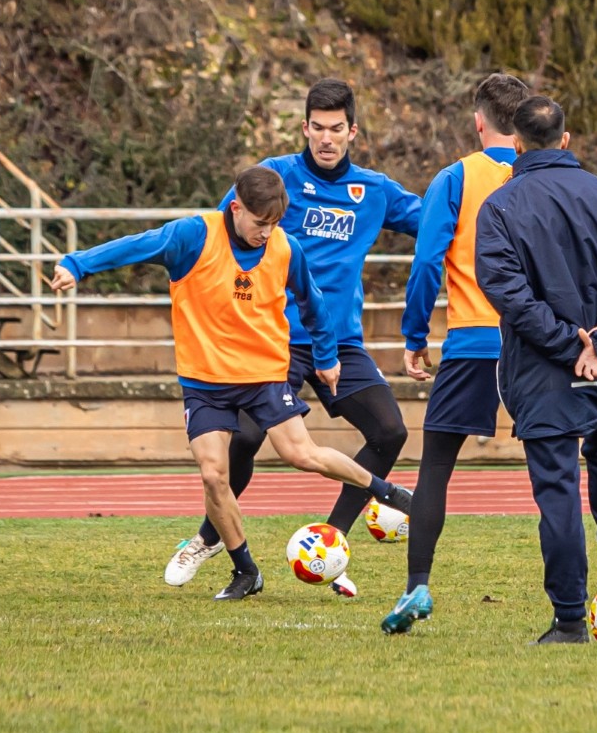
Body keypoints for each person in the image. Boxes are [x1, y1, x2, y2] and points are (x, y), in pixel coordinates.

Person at [52, 165, 414, 601]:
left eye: (275, 223)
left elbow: (315, 305)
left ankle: (389, 492)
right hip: (204, 382)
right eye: (261, 224)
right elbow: (135, 246)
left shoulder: (284, 248)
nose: (267, 233)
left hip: (263, 376)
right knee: (213, 475)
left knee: (302, 454)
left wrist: (326, 356)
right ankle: (246, 572)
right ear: (236, 208)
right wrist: (77, 264)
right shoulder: (193, 236)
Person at [159, 79, 423, 597]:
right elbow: (218, 234)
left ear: (353, 131)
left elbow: (436, 223)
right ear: (305, 128)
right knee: (248, 439)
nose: (326, 139)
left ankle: (331, 543)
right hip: (270, 340)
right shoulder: (273, 178)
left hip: (338, 341)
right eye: (317, 128)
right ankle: (211, 538)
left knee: (390, 431)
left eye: (336, 129)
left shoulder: (374, 191)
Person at [475, 96, 597, 644]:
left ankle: (571, 619)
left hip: (539, 366)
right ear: (566, 139)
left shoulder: (501, 206)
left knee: (557, 488)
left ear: (515, 144)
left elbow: (506, 292)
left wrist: (566, 342)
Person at [381, 72, 531, 635]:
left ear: (478, 121)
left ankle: (417, 586)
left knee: (435, 470)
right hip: (538, 343)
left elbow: (425, 265)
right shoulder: (540, 175)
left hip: (471, 342)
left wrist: (414, 336)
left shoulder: (455, 177)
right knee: (561, 464)